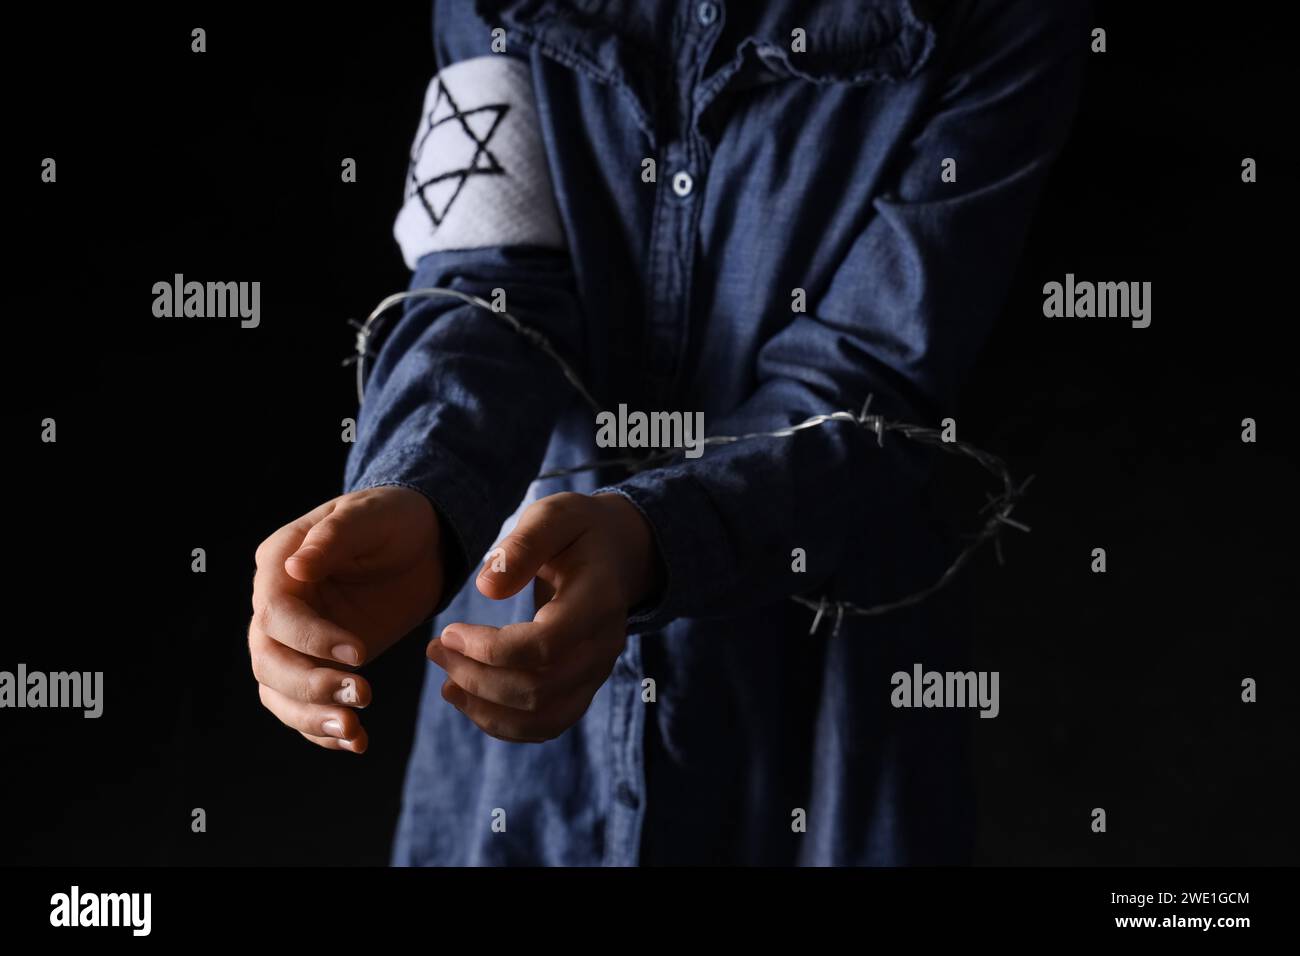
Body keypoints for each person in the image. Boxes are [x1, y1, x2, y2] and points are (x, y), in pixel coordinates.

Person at [247, 0, 1088, 865]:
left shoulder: (999, 19)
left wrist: (656, 540)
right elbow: (491, 282)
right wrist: (421, 493)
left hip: (816, 703)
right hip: (518, 670)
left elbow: (872, 380)